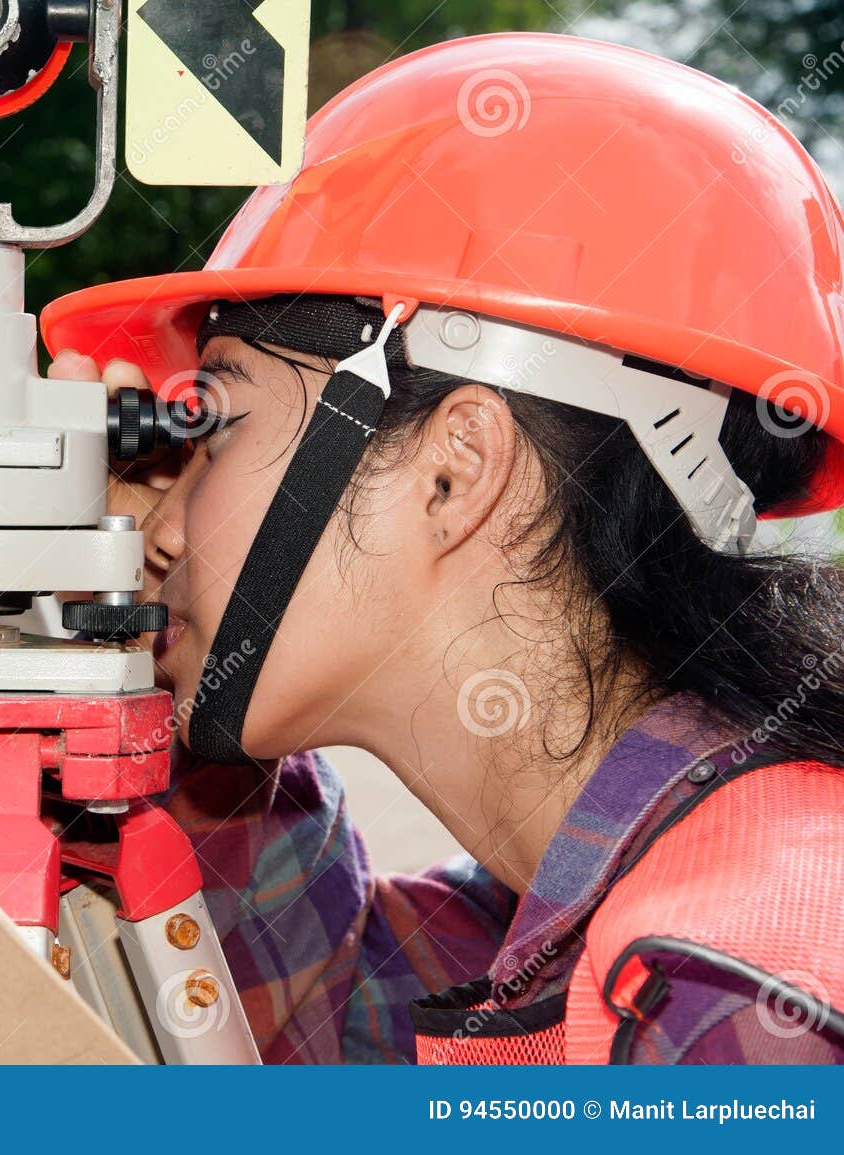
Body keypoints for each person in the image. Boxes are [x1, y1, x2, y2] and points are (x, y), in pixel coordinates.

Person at [44, 33, 844, 1064]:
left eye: (215, 426)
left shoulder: (728, 1003)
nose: (155, 527)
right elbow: (307, 1026)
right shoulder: (578, 925)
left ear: (456, 470)